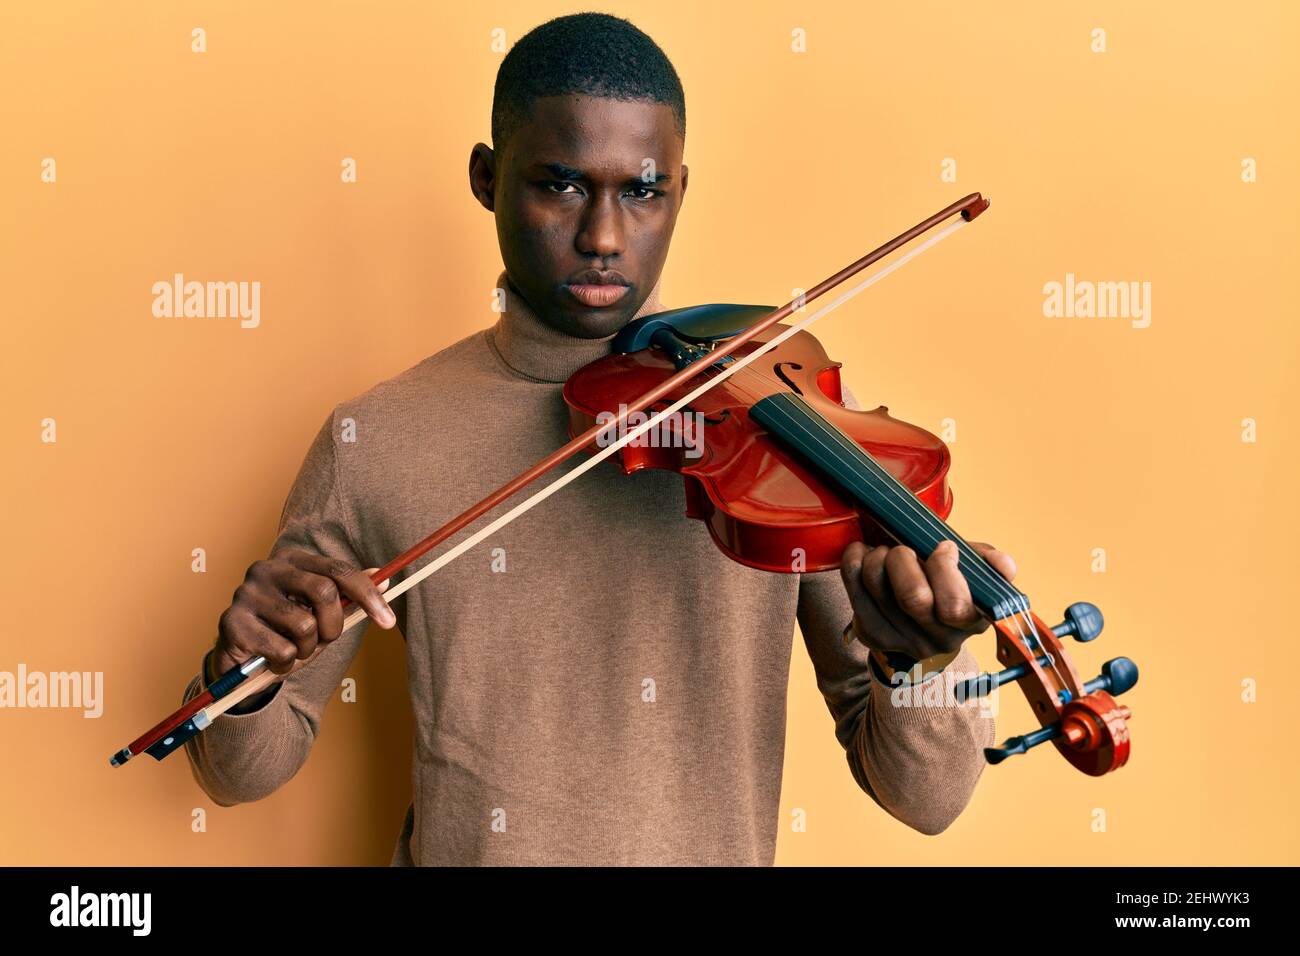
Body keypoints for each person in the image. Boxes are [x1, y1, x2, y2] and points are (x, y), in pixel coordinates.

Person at [182, 11, 1012, 866]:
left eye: (643, 191)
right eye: (562, 185)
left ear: (681, 190)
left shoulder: (781, 422)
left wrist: (915, 669)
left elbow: (928, 801)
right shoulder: (379, 434)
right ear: (486, 177)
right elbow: (240, 773)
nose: (605, 238)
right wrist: (243, 672)